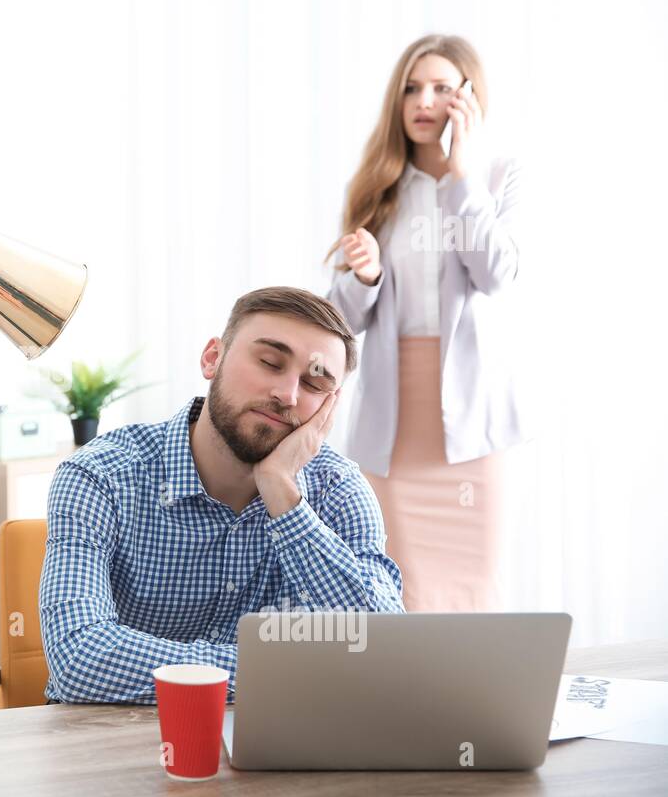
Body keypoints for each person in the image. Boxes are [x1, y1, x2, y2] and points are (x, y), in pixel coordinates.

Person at [39, 287, 403, 705]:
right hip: (105, 748)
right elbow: (78, 661)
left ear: (329, 406)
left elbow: (385, 653)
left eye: (314, 382)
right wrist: (291, 672)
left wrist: (283, 494)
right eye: (270, 362)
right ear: (213, 358)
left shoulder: (337, 489)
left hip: (276, 755)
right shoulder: (101, 475)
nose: (288, 395)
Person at [325, 34, 527, 613]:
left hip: (469, 419)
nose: (423, 101)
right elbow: (341, 320)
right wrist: (363, 277)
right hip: (395, 416)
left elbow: (495, 275)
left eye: (441, 87)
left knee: (475, 588)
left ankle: (473, 702)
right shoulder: (378, 185)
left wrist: (461, 175)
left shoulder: (498, 176)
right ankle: (405, 705)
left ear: (468, 96)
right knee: (399, 586)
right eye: (412, 88)